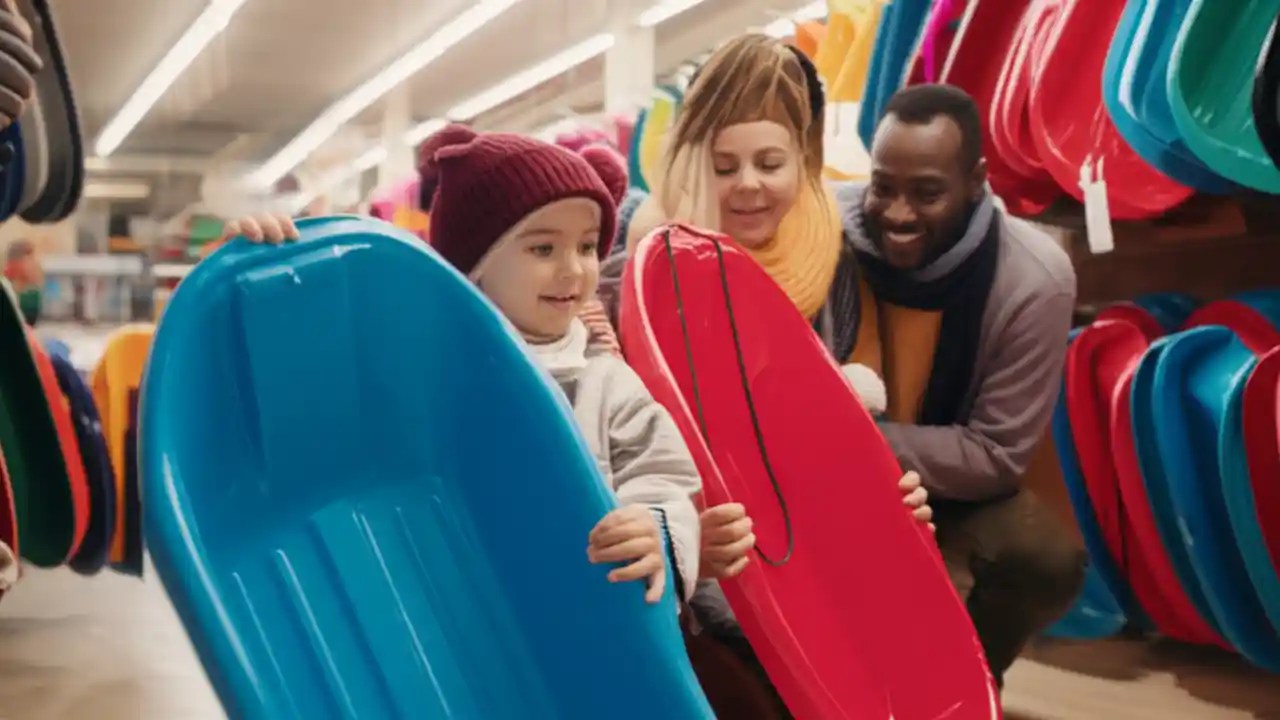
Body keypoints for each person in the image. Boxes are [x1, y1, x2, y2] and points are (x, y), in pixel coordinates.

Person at [618, 31, 1082, 690]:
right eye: (882, 187)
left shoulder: (1023, 277)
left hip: (870, 475)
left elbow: (992, 453)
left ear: (976, 184)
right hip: (720, 516)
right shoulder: (686, 256)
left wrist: (868, 468)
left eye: (927, 192)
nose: (895, 212)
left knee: (1025, 561)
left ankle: (963, 676)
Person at [231, 125, 703, 604]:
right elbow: (298, 415)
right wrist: (257, 285)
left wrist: (657, 534)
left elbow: (663, 478)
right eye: (543, 248)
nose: (574, 269)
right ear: (474, 266)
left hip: (574, 616)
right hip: (442, 613)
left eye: (586, 246)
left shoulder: (606, 382)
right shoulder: (417, 371)